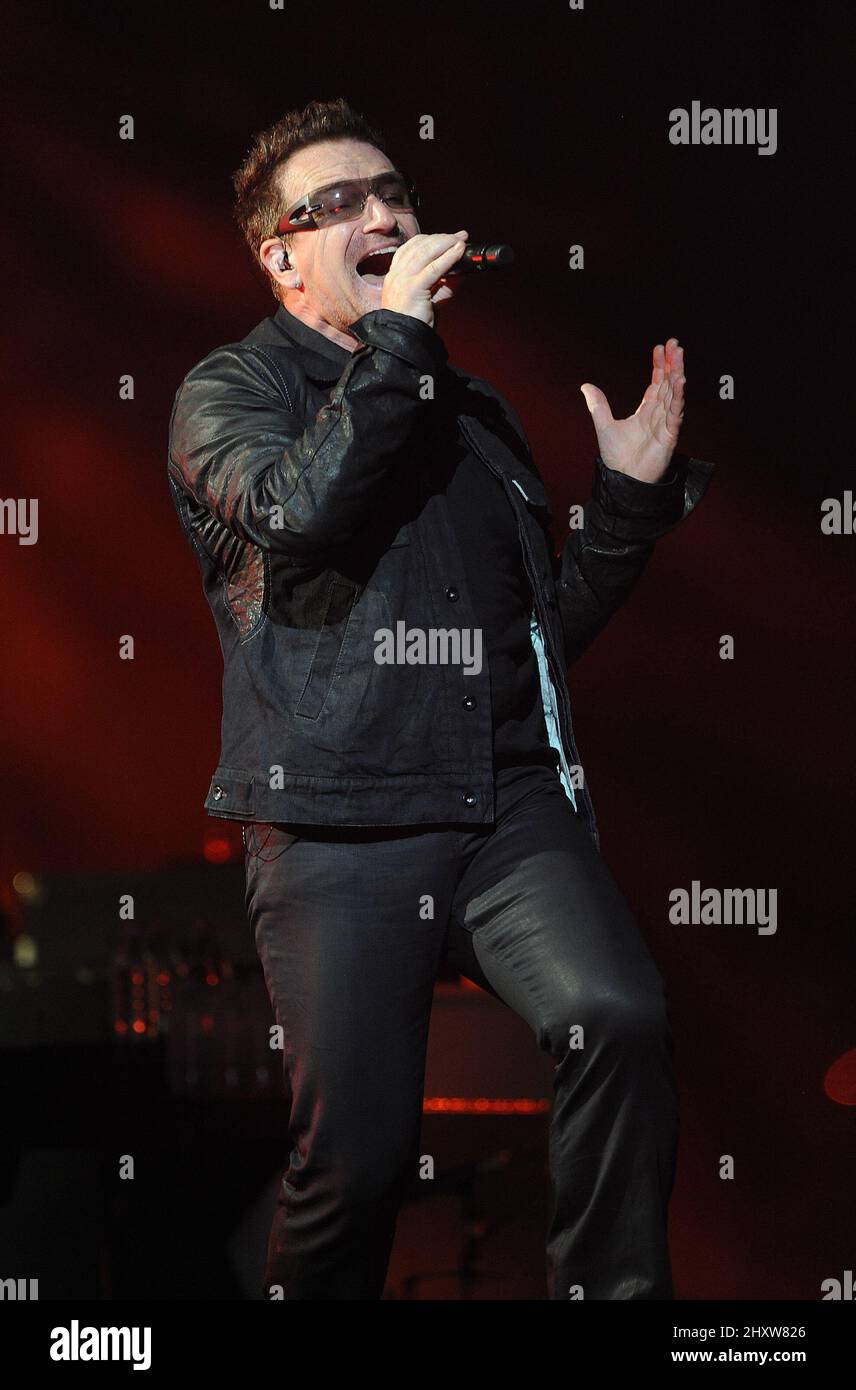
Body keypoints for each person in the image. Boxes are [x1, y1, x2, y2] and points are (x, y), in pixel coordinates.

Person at [167, 98, 714, 1300]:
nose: (385, 214)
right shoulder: (231, 392)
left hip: (505, 804)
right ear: (279, 256)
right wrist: (396, 350)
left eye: (394, 192)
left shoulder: (471, 416)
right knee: (356, 1167)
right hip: (337, 818)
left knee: (614, 1016)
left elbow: (534, 641)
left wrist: (621, 506)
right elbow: (301, 515)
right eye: (342, 204)